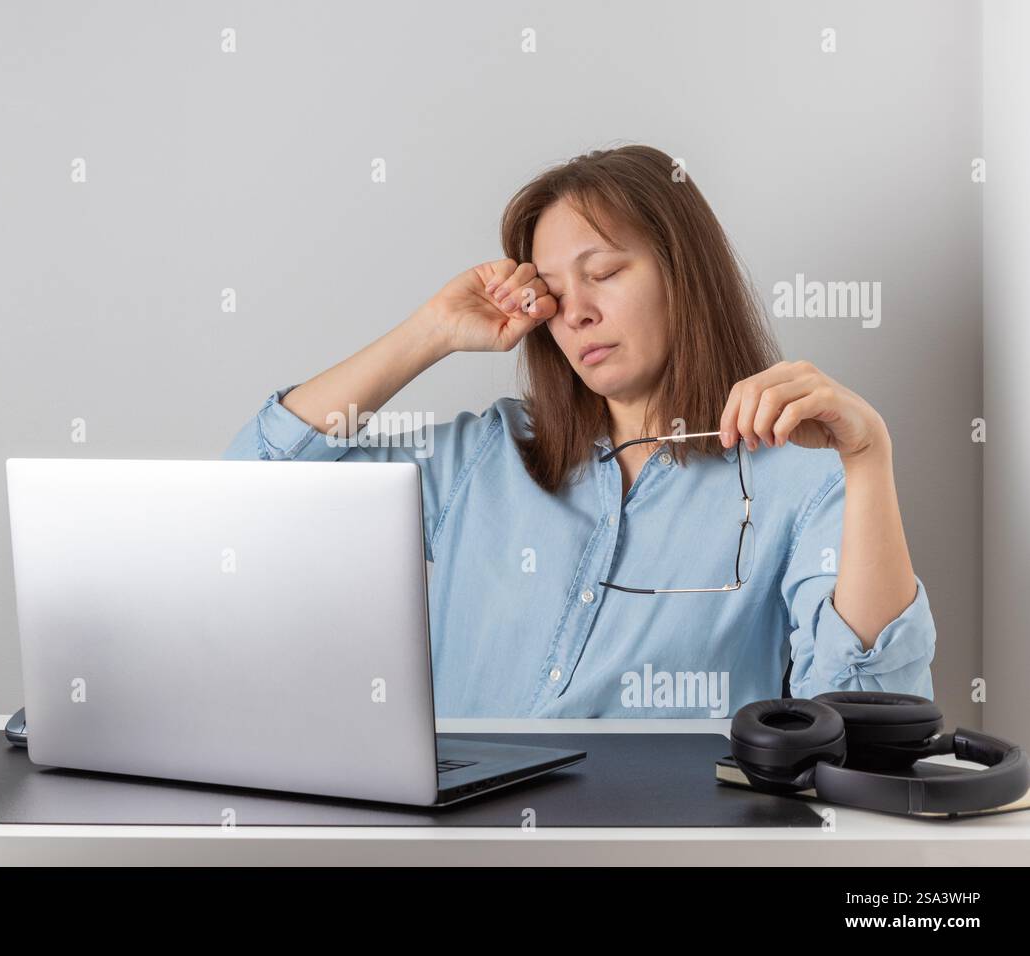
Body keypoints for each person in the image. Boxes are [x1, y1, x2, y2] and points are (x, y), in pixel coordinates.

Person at [222, 144, 936, 718]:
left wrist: (868, 458)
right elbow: (249, 500)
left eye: (605, 273)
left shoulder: (805, 477)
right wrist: (429, 331)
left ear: (684, 275)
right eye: (554, 293)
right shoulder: (484, 456)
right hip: (460, 837)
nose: (576, 313)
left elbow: (870, 714)